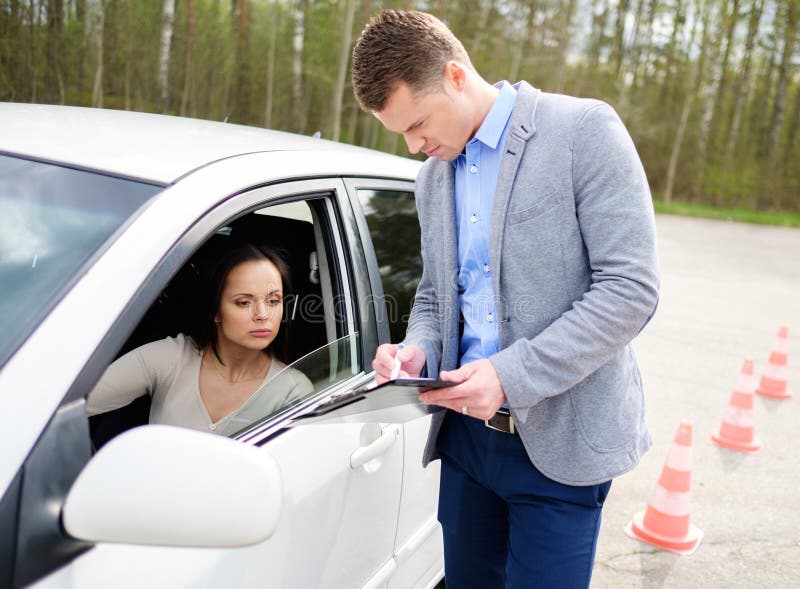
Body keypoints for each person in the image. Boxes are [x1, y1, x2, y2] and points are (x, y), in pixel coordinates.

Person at [352, 10, 659, 588]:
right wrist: (417, 349)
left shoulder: (584, 131)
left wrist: (509, 376)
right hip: (465, 441)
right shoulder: (431, 179)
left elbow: (630, 291)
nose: (416, 146)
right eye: (403, 135)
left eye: (418, 123)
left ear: (456, 75)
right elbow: (437, 295)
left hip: (562, 446)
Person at [88, 243, 313, 437]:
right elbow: (71, 402)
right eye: (244, 302)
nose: (263, 314)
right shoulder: (171, 358)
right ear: (215, 311)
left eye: (273, 301)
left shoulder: (292, 389)